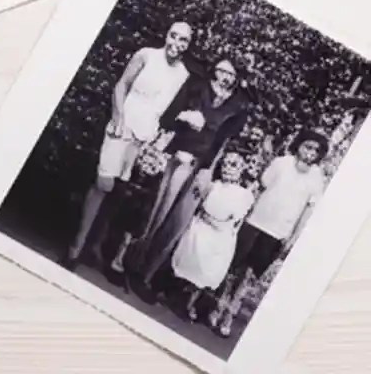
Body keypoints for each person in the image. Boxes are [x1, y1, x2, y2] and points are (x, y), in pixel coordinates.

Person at [63, 21, 193, 269]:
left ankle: (93, 247)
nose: (176, 43)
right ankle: (74, 247)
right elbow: (121, 85)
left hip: (144, 135)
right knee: (104, 183)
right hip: (122, 124)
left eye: (183, 39)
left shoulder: (183, 74)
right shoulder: (146, 55)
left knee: (120, 191)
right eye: (173, 35)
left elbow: (167, 109)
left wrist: (164, 135)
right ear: (166, 35)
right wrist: (117, 118)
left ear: (188, 45)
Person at [120, 58, 253, 295]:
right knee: (155, 213)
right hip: (175, 158)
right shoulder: (196, 86)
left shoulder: (238, 106)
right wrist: (185, 117)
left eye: (230, 74)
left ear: (236, 78)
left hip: (200, 168)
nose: (224, 76)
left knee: (178, 223)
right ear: (213, 70)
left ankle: (146, 275)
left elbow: (222, 144)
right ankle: (127, 261)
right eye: (221, 70)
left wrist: (207, 172)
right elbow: (167, 117)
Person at [211, 131, 329, 338]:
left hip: (277, 232)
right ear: (299, 145)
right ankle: (217, 307)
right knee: (234, 267)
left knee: (250, 276)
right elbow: (261, 187)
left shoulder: (317, 178)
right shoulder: (282, 163)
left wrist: (293, 238)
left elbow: (308, 211)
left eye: (315, 150)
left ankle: (230, 314)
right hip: (255, 222)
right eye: (307, 147)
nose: (310, 153)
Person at [169, 152, 255, 323]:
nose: (228, 169)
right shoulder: (213, 186)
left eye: (233, 165)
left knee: (209, 267)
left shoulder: (244, 194)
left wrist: (218, 223)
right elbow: (201, 206)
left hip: (220, 233)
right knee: (190, 250)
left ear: (241, 170)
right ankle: (176, 292)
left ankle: (190, 302)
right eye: (225, 164)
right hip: (202, 227)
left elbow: (235, 219)